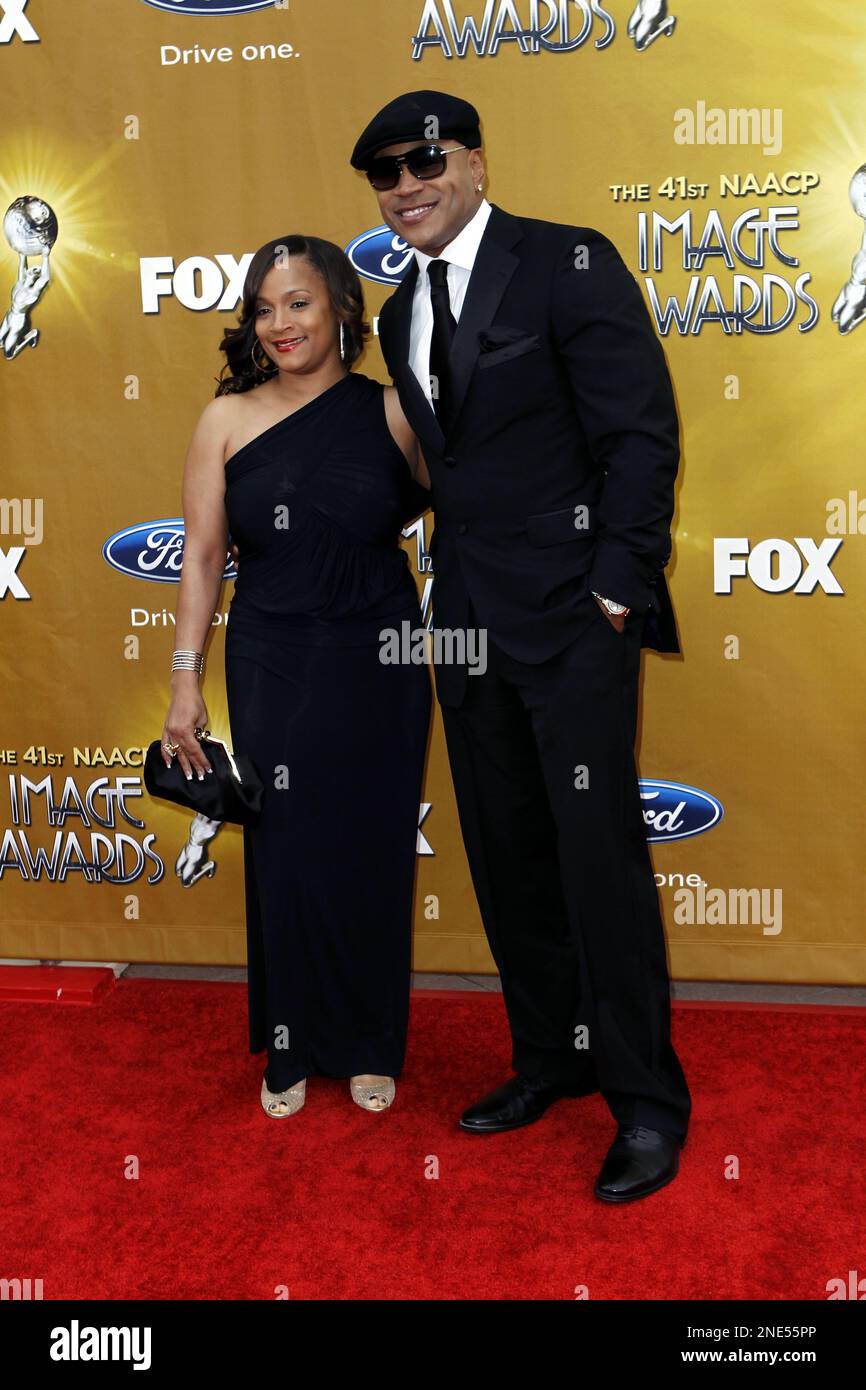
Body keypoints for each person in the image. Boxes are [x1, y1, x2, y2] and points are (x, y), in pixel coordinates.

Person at [350, 90, 691, 1201]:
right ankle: (553, 1055)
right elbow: (436, 469)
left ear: (475, 162)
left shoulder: (567, 263)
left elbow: (639, 435)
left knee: (596, 856)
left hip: (571, 614)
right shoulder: (397, 310)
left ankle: (645, 1100)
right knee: (505, 855)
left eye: (424, 163)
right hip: (468, 622)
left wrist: (611, 591)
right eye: (388, 176)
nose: (408, 187)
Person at [160, 235, 431, 1118]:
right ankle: (289, 1040)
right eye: (266, 308)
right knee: (286, 848)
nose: (281, 324)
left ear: (344, 309)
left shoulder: (395, 412)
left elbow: (472, 511)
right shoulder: (226, 420)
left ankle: (366, 1040)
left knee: (373, 847)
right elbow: (203, 557)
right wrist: (184, 678)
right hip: (274, 657)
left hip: (382, 658)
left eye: (300, 303)